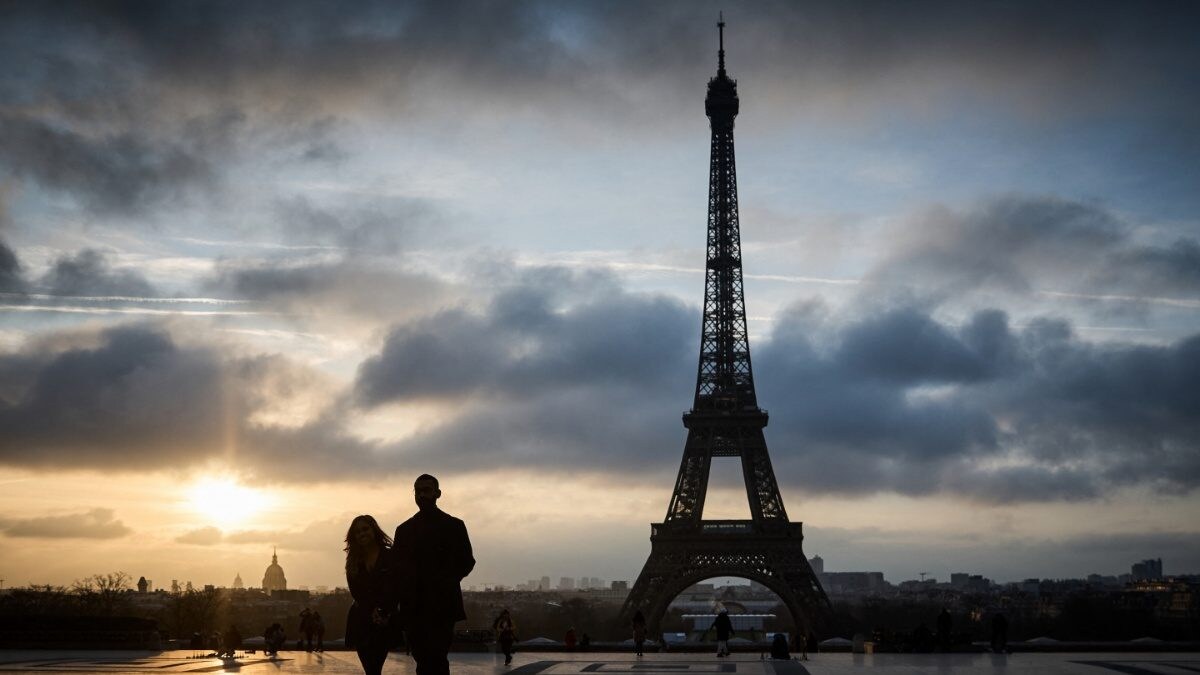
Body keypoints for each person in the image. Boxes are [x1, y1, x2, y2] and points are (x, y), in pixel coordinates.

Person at [391, 474, 475, 675]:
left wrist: (444, 582)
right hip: (420, 605)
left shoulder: (451, 526)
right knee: (427, 659)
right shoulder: (405, 530)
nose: (421, 495)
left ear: (438, 494)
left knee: (433, 658)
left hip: (438, 604)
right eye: (418, 491)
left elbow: (467, 561)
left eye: (425, 490)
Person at [345, 515, 397, 675]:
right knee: (371, 668)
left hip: (384, 616)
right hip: (362, 618)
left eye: (365, 529)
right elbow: (355, 591)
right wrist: (372, 610)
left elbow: (395, 586)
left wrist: (383, 610)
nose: (362, 534)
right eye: (357, 532)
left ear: (374, 529)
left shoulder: (390, 556)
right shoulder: (353, 560)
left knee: (375, 667)